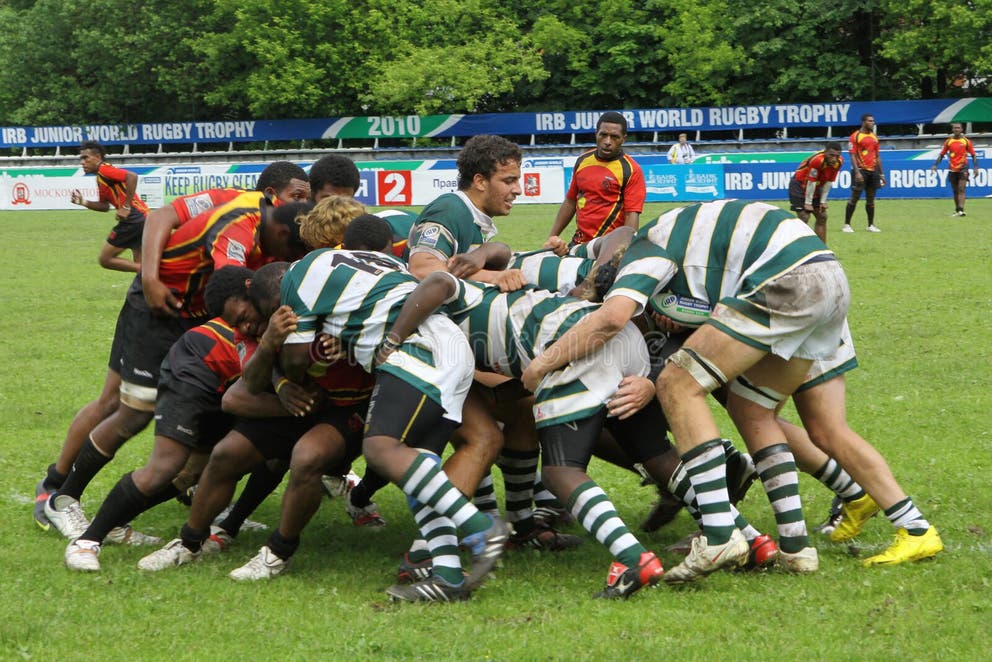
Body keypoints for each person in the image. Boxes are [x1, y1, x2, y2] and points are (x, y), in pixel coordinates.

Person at [523, 200, 850, 582]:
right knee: (753, 410)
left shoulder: (643, 254)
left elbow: (611, 318)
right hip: (824, 274)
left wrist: (541, 366)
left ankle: (718, 535)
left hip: (785, 278)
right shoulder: (672, 254)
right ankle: (796, 546)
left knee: (677, 384)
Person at [33, 163, 312, 533]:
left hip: (194, 315)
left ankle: (201, 496)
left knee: (210, 408)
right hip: (159, 309)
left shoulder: (260, 216)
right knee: (133, 410)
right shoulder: (237, 226)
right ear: (279, 222)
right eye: (298, 195)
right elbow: (226, 285)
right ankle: (62, 497)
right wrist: (149, 277)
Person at [277, 215, 512, 602]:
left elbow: (297, 358)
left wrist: (291, 358)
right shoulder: (389, 264)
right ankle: (449, 578)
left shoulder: (301, 273)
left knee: (380, 448)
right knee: (420, 469)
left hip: (415, 351)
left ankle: (482, 527)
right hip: (450, 349)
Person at [63, 267, 262, 571]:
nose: (244, 327)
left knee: (199, 470)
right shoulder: (263, 320)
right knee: (166, 466)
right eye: (236, 322)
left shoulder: (279, 301)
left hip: (229, 382)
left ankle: (226, 524)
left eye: (244, 316)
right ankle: (87, 541)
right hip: (192, 371)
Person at [544, 112, 645, 252]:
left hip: (608, 247)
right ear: (596, 134)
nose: (607, 141)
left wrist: (623, 251)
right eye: (603, 134)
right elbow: (570, 201)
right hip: (579, 245)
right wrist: (552, 237)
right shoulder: (583, 160)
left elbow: (631, 215)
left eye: (614, 137)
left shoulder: (632, 170)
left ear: (624, 139)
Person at [70, 140, 148, 272]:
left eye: (86, 158)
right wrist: (84, 202)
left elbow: (132, 176)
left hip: (133, 218)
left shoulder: (104, 169)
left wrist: (126, 207)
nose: (82, 162)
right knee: (140, 264)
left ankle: (152, 271)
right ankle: (150, 280)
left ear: (98, 157)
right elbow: (104, 206)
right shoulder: (100, 177)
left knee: (105, 259)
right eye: (81, 159)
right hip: (142, 218)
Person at [789, 142, 844, 243]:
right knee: (804, 216)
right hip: (799, 185)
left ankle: (822, 251)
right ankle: (799, 250)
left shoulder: (839, 162)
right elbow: (811, 181)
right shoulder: (818, 160)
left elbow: (829, 182)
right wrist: (808, 203)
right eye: (831, 155)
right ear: (825, 152)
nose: (834, 159)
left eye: (837, 156)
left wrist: (823, 201)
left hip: (816, 187)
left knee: (822, 216)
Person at [844, 114, 885, 233]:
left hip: (873, 171)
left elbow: (877, 157)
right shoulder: (855, 136)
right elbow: (852, 155)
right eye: (870, 121)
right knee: (855, 197)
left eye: (873, 121)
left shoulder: (874, 137)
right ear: (863, 122)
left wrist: (882, 174)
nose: (873, 123)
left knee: (870, 198)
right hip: (861, 170)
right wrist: (857, 173)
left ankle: (870, 225)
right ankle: (847, 224)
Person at [931, 123, 979, 217]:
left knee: (961, 189)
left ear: (962, 130)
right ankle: (957, 210)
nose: (956, 129)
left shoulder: (966, 141)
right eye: (955, 128)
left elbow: (973, 155)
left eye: (958, 128)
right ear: (952, 130)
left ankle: (961, 210)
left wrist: (976, 167)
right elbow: (942, 154)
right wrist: (935, 165)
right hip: (952, 168)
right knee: (955, 191)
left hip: (963, 167)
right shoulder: (948, 141)